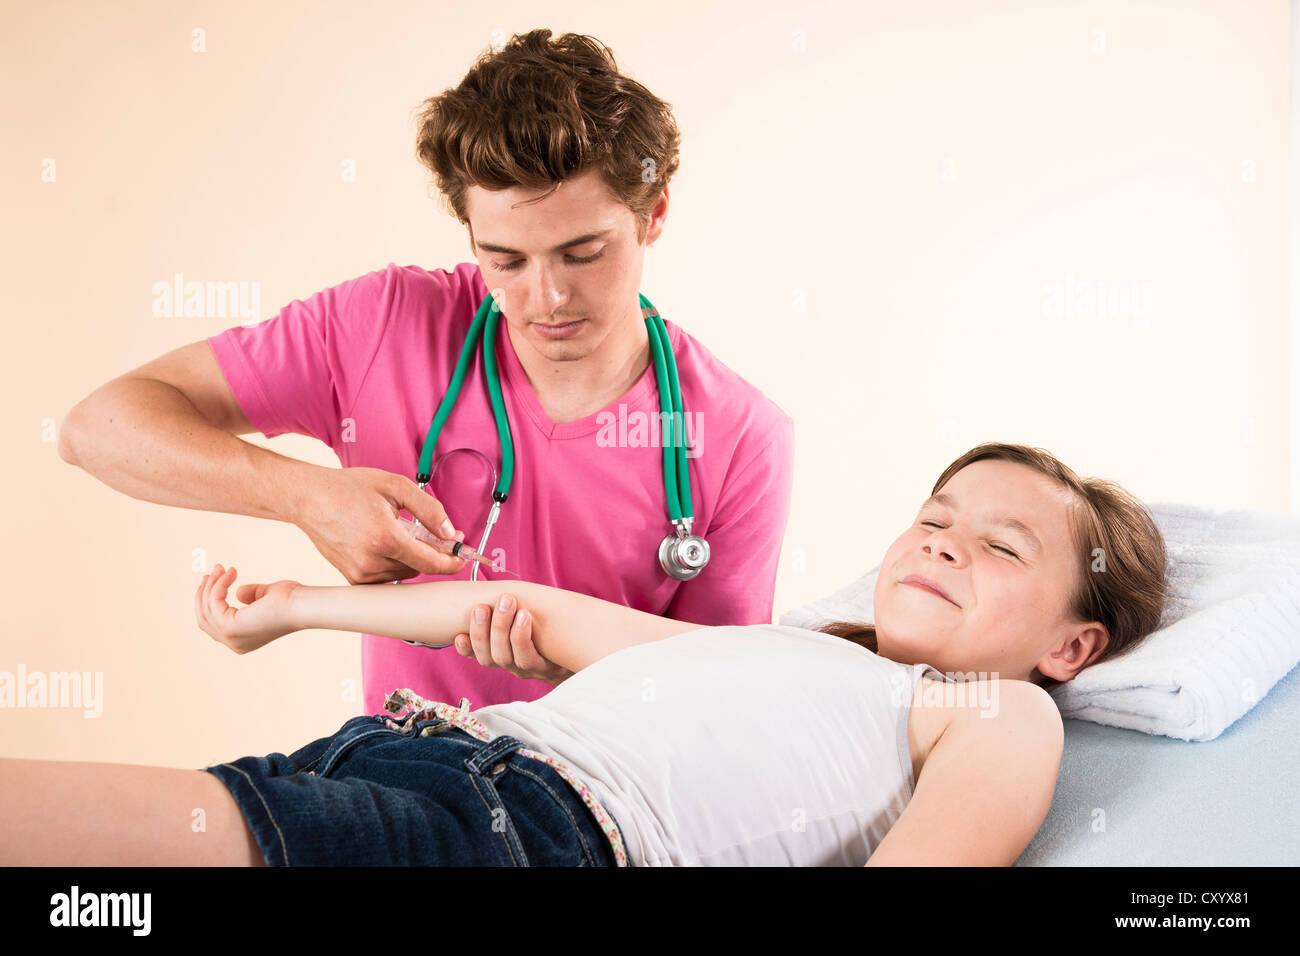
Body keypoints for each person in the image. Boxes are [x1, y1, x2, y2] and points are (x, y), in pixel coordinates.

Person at [55, 29, 796, 716]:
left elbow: (719, 713)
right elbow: (96, 429)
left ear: (654, 212)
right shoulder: (385, 324)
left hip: (604, 818)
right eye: (504, 259)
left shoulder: (738, 436)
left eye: (582, 252)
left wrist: (569, 666)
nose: (547, 298)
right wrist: (306, 496)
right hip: (400, 787)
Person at [1, 443, 1169, 866]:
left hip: (521, 831)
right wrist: (294, 607)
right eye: (936, 513)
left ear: (1073, 641)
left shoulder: (993, 713)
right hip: (407, 757)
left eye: (1001, 542)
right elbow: (526, 606)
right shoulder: (771, 651)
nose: (944, 542)